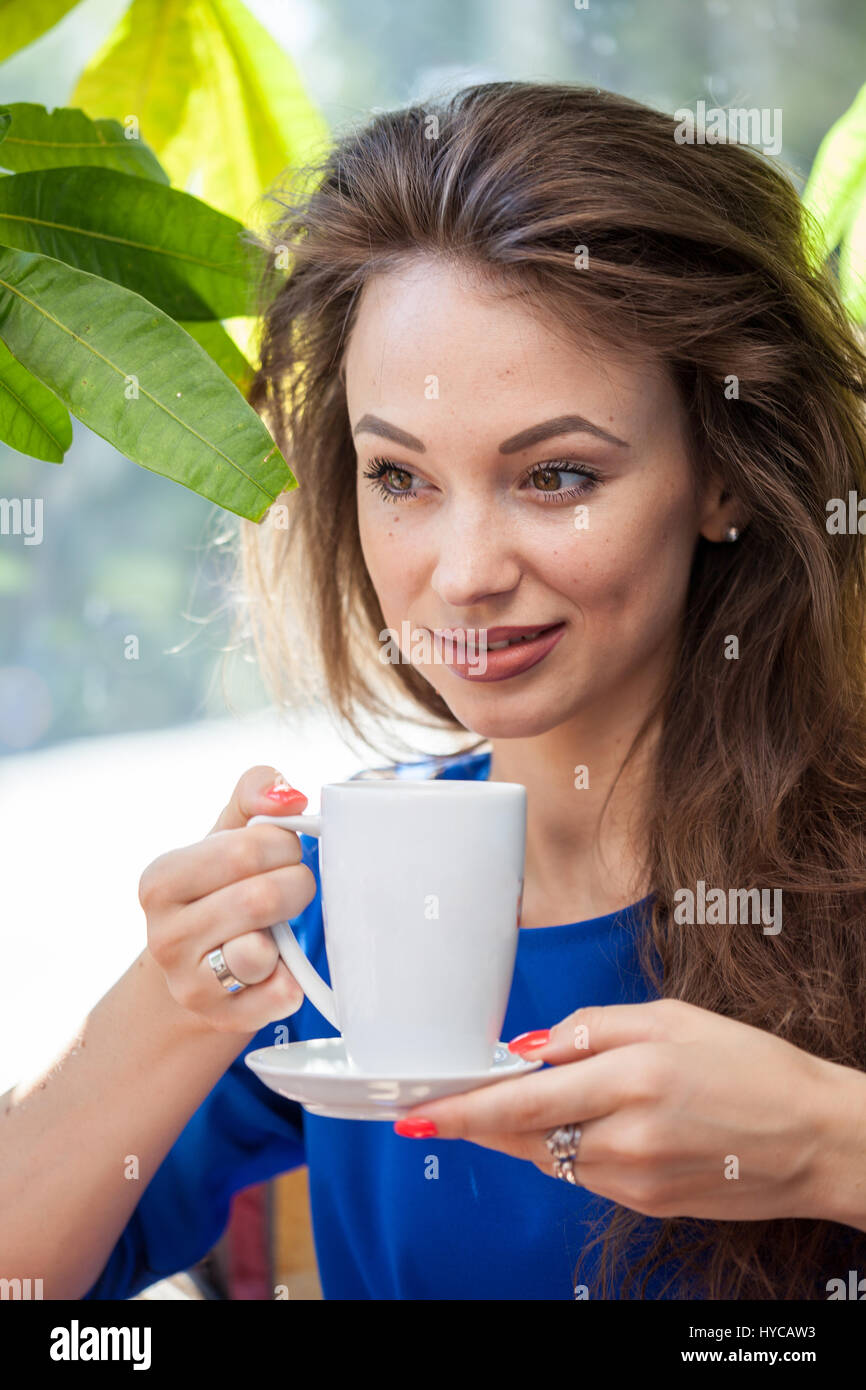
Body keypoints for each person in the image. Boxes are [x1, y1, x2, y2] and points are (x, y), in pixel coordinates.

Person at [3, 80, 866, 1301]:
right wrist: (168, 1002)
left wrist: (834, 1142)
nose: (460, 575)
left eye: (556, 473)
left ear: (721, 474)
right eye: (398, 477)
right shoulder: (328, 921)